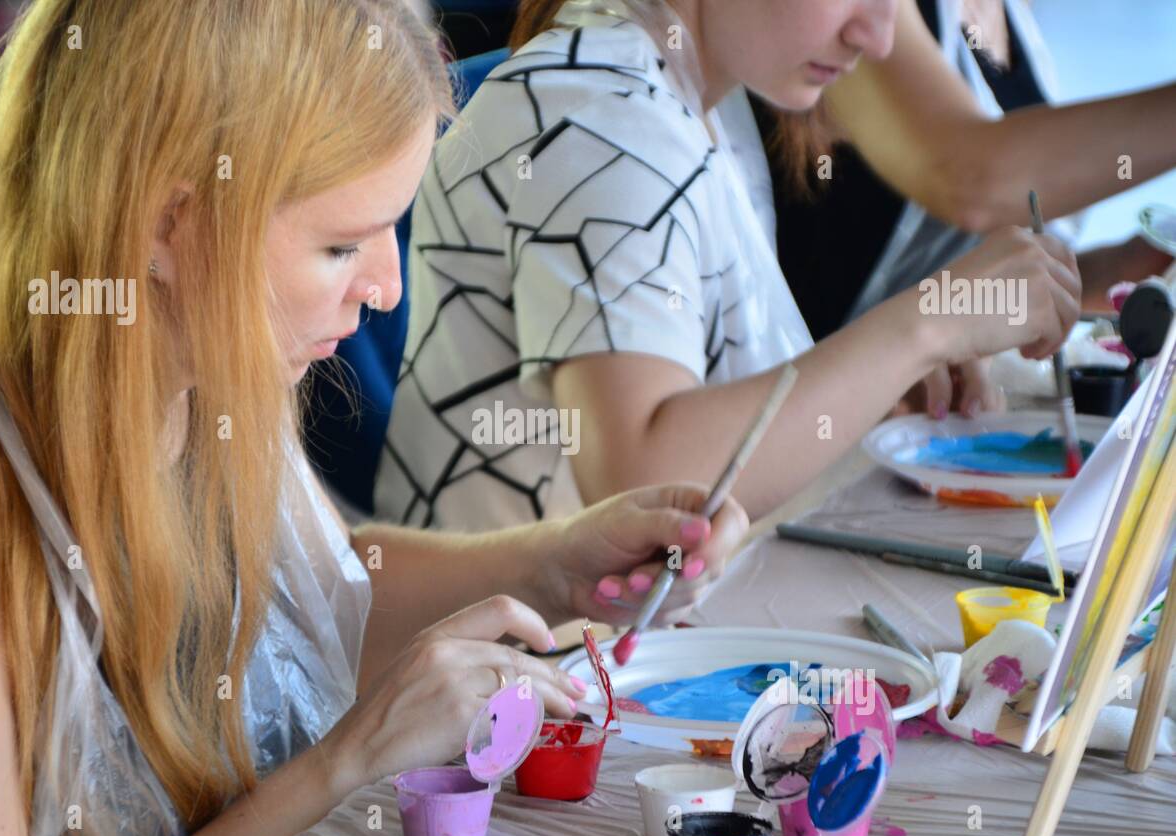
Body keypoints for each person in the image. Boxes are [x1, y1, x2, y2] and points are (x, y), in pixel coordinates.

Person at [0, 0, 746, 836]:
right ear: (168, 226)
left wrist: (557, 567)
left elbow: (315, 609)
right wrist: (348, 760)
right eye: (342, 246)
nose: (387, 290)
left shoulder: (206, 366)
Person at [375, 0, 1081, 534]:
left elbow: (713, 402)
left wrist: (878, 377)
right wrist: (923, 327)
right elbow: (643, 482)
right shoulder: (597, 109)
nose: (878, 33)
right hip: (534, 701)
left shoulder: (697, 102)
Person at [755, 0, 1176, 416]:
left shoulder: (1013, 20)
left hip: (938, 414)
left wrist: (1116, 270)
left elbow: (980, 267)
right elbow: (969, 178)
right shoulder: (868, 14)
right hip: (817, 413)